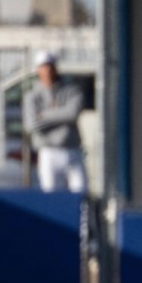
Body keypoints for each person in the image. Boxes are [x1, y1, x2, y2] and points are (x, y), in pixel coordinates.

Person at [23, 51, 86, 193]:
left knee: (81, 194)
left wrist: (44, 115)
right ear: (38, 70)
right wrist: (61, 117)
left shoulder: (71, 91)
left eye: (50, 66)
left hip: (72, 149)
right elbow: (31, 125)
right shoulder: (33, 96)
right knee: (51, 195)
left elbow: (72, 113)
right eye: (44, 67)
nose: (48, 70)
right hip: (48, 151)